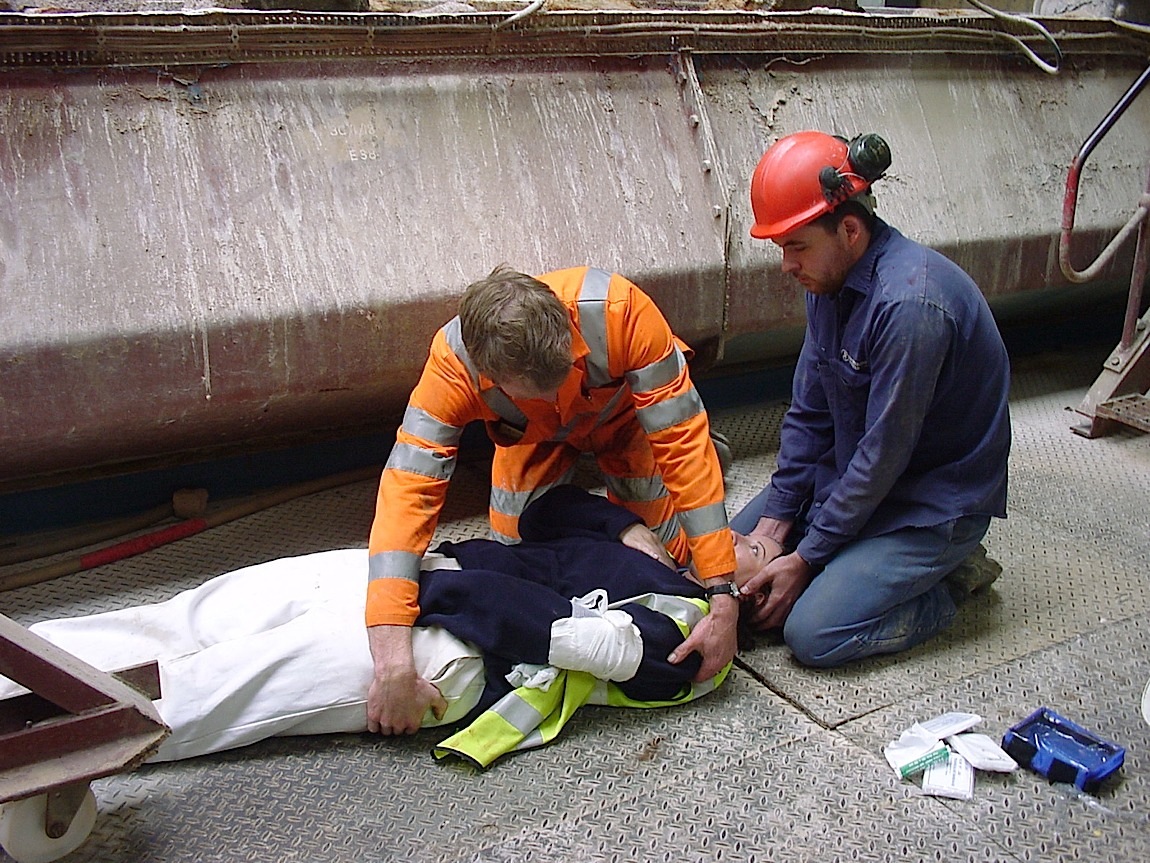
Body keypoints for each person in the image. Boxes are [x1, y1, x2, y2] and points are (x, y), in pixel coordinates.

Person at [2, 487, 769, 766]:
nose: (742, 531)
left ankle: (28, 739)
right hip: (425, 580)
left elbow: (583, 641)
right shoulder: (657, 562)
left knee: (215, 689)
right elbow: (545, 510)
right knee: (197, 613)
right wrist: (628, 530)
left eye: (761, 547)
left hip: (454, 652)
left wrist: (407, 618)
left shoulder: (700, 633)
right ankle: (21, 662)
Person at [367, 265, 740, 735]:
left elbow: (681, 447)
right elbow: (408, 492)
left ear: (566, 331)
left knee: (678, 556)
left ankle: (711, 454)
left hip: (630, 419)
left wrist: (723, 595)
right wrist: (393, 660)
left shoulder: (620, 314)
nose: (557, 390)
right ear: (490, 375)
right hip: (532, 436)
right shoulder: (452, 369)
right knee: (518, 539)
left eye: (562, 372)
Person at [732, 130, 1011, 668]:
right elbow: (808, 414)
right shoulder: (828, 282)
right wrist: (777, 522)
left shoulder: (911, 308)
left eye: (796, 246)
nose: (786, 266)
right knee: (723, 564)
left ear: (850, 230)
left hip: (926, 505)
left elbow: (884, 456)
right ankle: (848, 565)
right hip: (857, 476)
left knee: (811, 633)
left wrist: (807, 557)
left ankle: (953, 581)